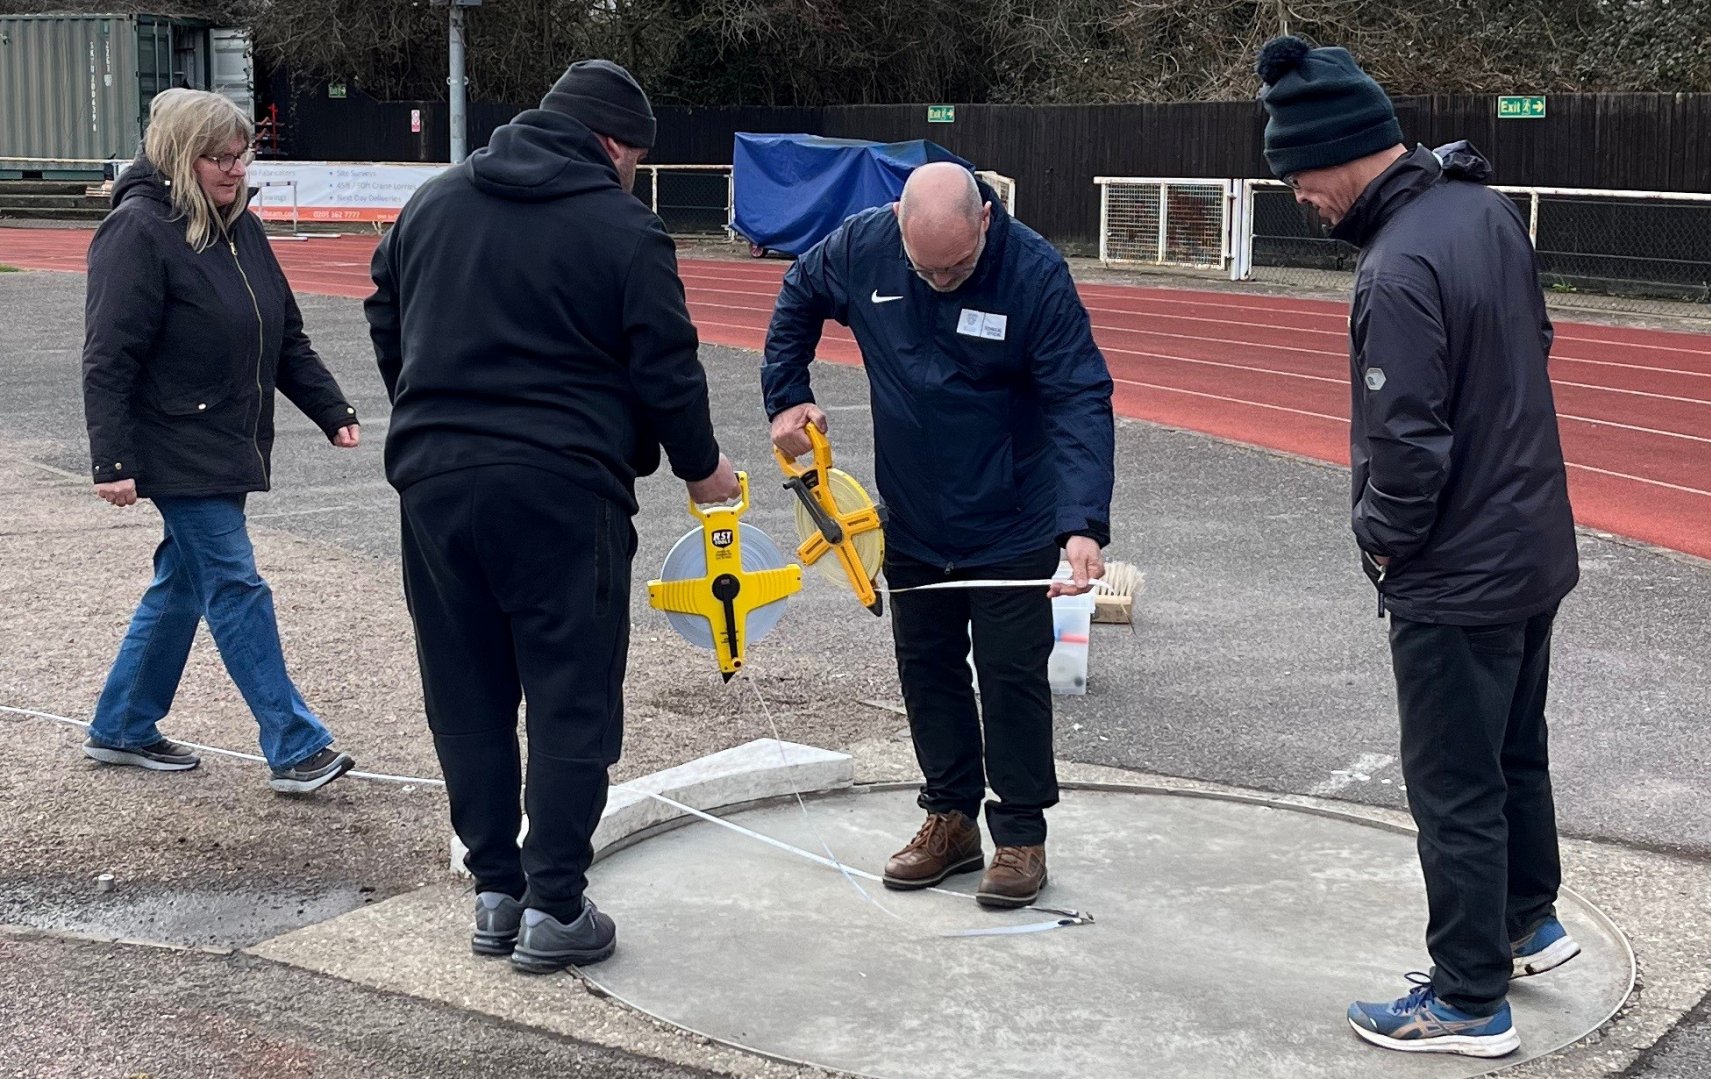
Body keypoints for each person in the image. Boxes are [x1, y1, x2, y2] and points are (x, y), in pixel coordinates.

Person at [365, 60, 737, 974]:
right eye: (635, 160)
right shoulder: (624, 227)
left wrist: (428, 407)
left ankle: (495, 892)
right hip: (566, 487)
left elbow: (386, 308)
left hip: (436, 481)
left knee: (467, 688)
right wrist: (702, 470)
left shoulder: (434, 202)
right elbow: (666, 366)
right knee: (571, 695)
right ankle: (555, 907)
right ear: (616, 146)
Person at [1255, 36, 1582, 1058]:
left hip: (1455, 568)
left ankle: (1463, 994)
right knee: (1511, 747)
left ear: (1344, 154)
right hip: (1531, 546)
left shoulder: (1394, 267)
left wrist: (1383, 548)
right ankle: (1528, 920)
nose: (1296, 196)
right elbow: (1534, 346)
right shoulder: (1485, 212)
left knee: (1452, 780)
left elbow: (1405, 440)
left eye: (1298, 174)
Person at [762, 162, 1115, 909]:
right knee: (928, 669)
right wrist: (787, 394)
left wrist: (1081, 523)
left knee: (1011, 675)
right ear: (899, 230)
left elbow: (1080, 394)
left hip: (1011, 513)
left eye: (956, 265)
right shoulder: (862, 248)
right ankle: (949, 820)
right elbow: (799, 294)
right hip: (915, 512)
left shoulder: (1034, 274)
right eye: (928, 268)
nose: (944, 279)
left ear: (985, 221)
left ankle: (1020, 835)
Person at [80, 88, 363, 795]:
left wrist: (331, 408)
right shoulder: (138, 230)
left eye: (243, 155)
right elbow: (107, 357)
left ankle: (121, 725)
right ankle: (296, 746)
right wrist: (112, 460)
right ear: (182, 157)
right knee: (235, 583)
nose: (237, 169)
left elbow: (283, 332)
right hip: (176, 443)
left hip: (227, 437)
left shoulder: (241, 226)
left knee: (181, 585)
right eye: (220, 158)